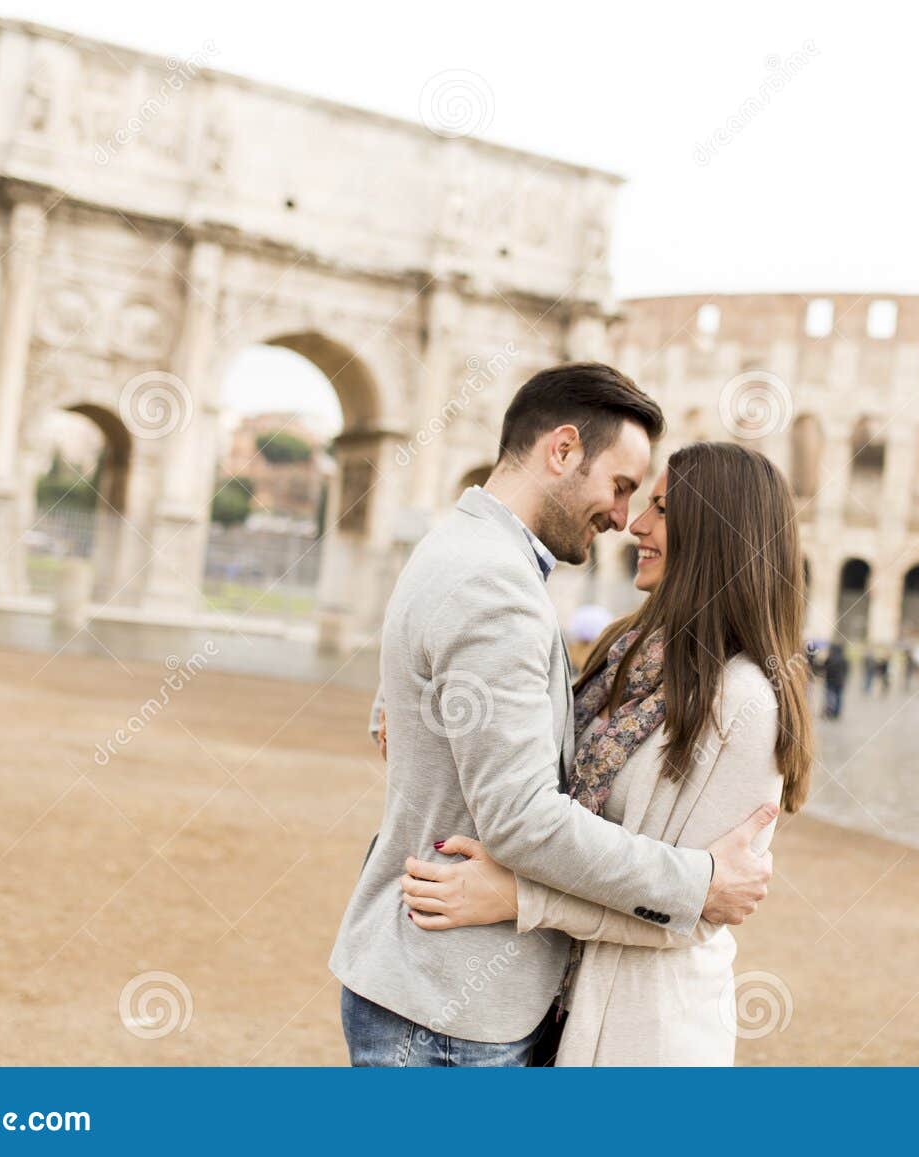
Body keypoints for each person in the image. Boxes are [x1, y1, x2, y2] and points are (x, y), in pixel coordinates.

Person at [329, 364, 778, 1067]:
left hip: (441, 987)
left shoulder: (462, 546)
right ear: (562, 451)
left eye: (647, 501)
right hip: (454, 1001)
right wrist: (697, 882)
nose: (625, 518)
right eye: (623, 486)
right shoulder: (496, 585)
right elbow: (522, 817)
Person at [400, 442, 813, 1065]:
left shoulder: (747, 702)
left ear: (719, 535)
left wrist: (521, 898)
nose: (636, 524)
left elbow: (699, 912)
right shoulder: (628, 647)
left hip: (645, 1031)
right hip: (564, 1005)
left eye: (664, 509)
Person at [822, 643, 849, 719]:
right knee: (839, 697)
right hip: (840, 681)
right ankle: (837, 712)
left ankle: (829, 711)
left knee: (829, 696)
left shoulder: (830, 658)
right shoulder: (844, 659)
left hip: (830, 681)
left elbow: (824, 667)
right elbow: (846, 671)